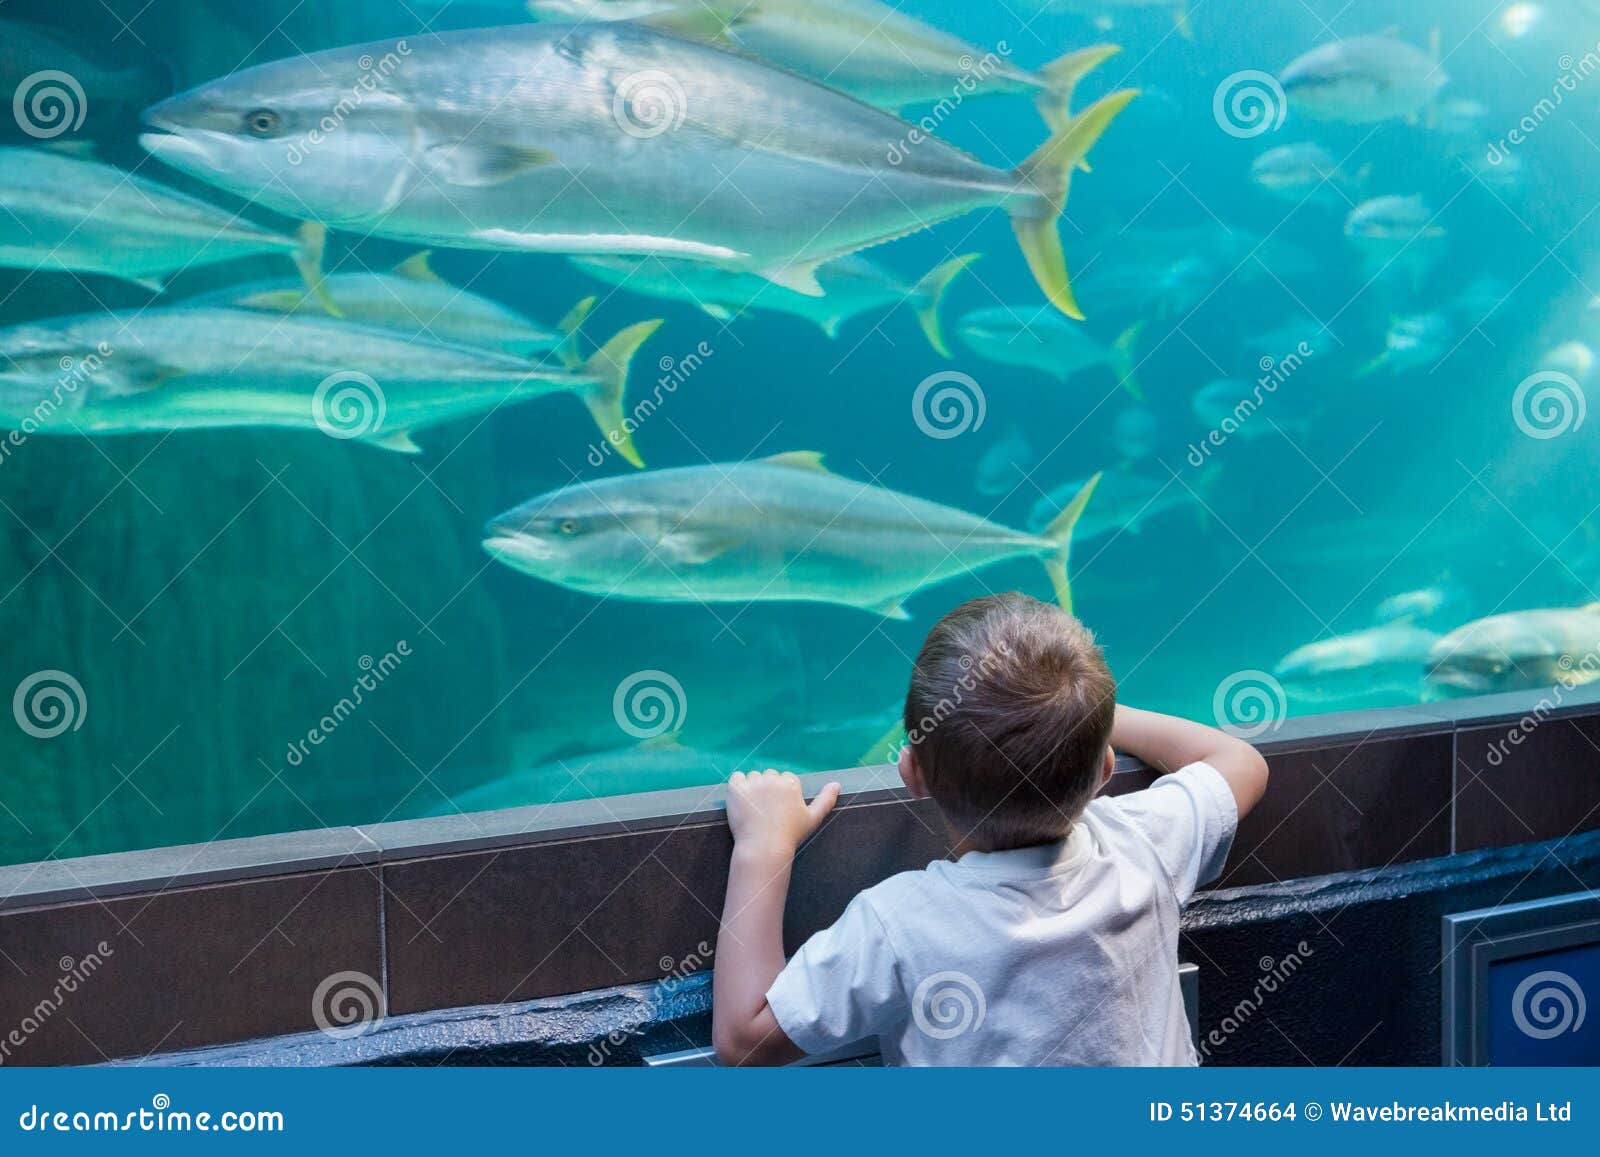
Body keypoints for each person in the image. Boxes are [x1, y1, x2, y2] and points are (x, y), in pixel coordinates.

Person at [711, 592, 1269, 1066]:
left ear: (912, 772)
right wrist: (1078, 716)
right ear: (1104, 770)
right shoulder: (1144, 842)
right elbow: (1240, 762)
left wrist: (763, 849)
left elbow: (742, 1041)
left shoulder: (900, 925)